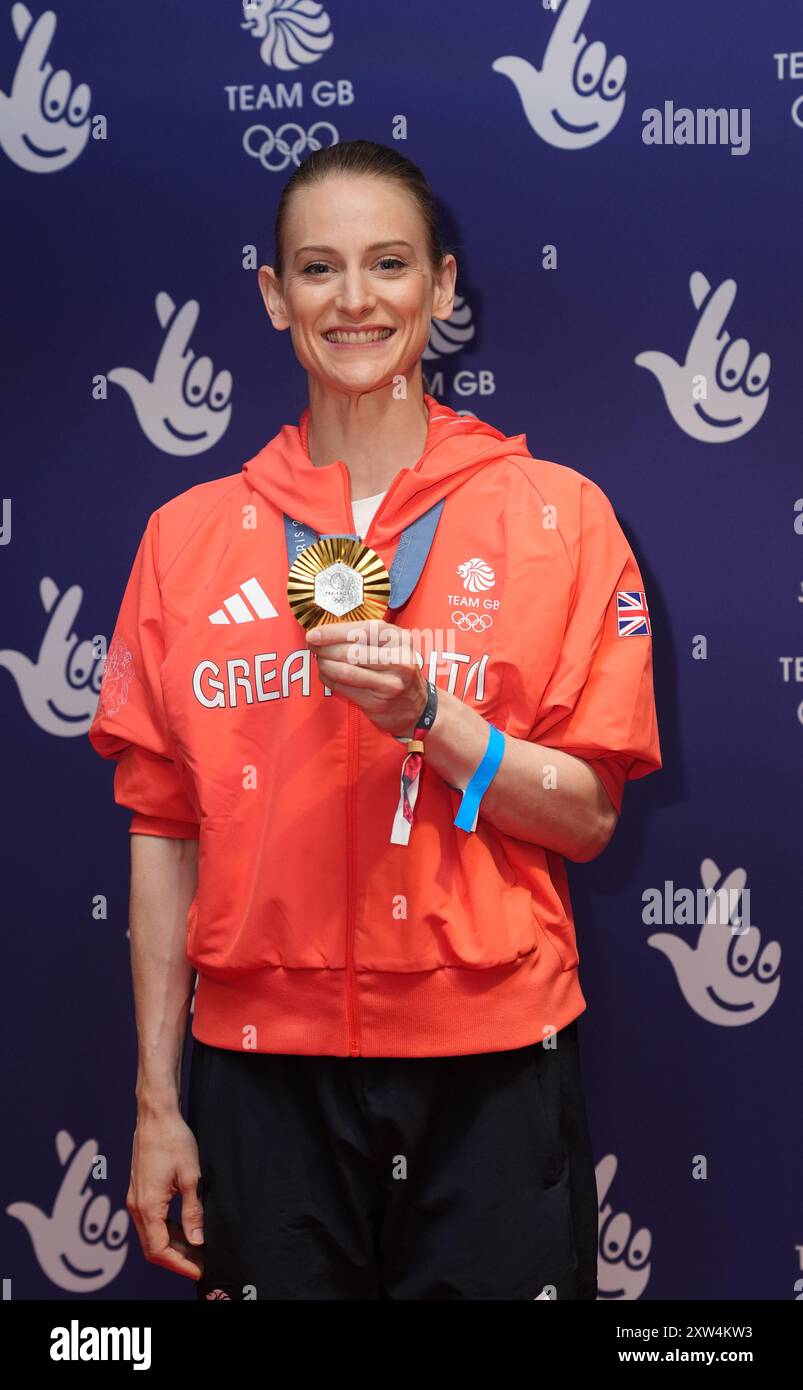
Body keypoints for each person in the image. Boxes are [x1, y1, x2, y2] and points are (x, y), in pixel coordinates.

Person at [88, 139, 662, 1301]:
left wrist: (430, 718)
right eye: (317, 268)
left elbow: (591, 816)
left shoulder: (557, 516)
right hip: (258, 1081)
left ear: (442, 288)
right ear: (272, 294)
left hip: (489, 1072)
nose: (353, 301)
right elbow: (162, 834)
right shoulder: (186, 538)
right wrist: (157, 1105)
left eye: (388, 264)